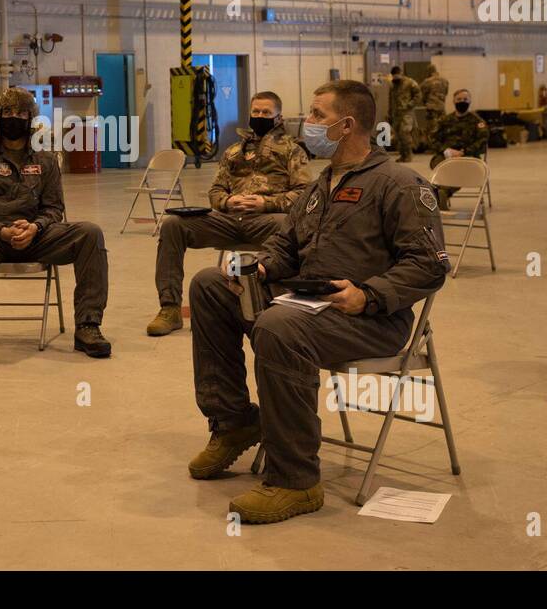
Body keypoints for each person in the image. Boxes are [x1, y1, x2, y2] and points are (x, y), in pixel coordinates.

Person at [185, 80, 450, 524]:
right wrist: (263, 269)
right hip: (308, 304)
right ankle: (234, 423)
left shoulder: (399, 184)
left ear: (346, 126)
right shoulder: (319, 186)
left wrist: (369, 294)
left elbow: (430, 265)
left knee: (278, 325)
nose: (305, 124)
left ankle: (296, 481)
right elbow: (287, 247)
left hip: (369, 317)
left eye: (316, 116)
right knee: (211, 284)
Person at [0, 87, 110, 368]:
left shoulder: (45, 160)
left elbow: (54, 209)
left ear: (31, 119)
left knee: (90, 233)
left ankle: (87, 327)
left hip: (38, 237)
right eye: (8, 112)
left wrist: (35, 227)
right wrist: (1, 231)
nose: (14, 118)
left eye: (21, 113)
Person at [146, 91, 309, 336]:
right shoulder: (234, 151)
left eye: (266, 112)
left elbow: (303, 194)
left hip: (267, 220)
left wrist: (264, 203)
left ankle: (282, 306)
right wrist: (228, 200)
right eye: (256, 112)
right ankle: (170, 308)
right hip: (228, 219)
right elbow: (216, 191)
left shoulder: (292, 151)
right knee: (173, 224)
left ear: (279, 117)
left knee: (290, 227)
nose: (260, 116)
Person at [428, 89, 488, 209]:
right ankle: (441, 195)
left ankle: (442, 194)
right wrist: (446, 150)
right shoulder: (445, 120)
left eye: (465, 99)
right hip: (446, 156)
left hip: (468, 157)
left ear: (470, 101)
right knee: (439, 165)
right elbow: (432, 138)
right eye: (459, 99)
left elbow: (483, 141)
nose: (462, 102)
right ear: (453, 101)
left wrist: (464, 152)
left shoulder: (478, 122)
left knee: (460, 170)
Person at [387, 66, 421, 162]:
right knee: (398, 135)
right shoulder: (393, 84)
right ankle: (403, 155)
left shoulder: (410, 82)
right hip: (396, 114)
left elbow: (418, 95)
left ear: (401, 73)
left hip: (407, 113)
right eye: (394, 77)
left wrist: (410, 104)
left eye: (397, 76)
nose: (396, 79)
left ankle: (409, 154)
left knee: (404, 133)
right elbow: (390, 100)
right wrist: (389, 113)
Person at [419, 64, 450, 149]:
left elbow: (422, 94)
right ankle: (442, 145)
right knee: (442, 127)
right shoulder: (445, 81)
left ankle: (433, 147)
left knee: (432, 128)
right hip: (441, 107)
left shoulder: (427, 82)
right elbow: (446, 93)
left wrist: (426, 102)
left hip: (431, 108)